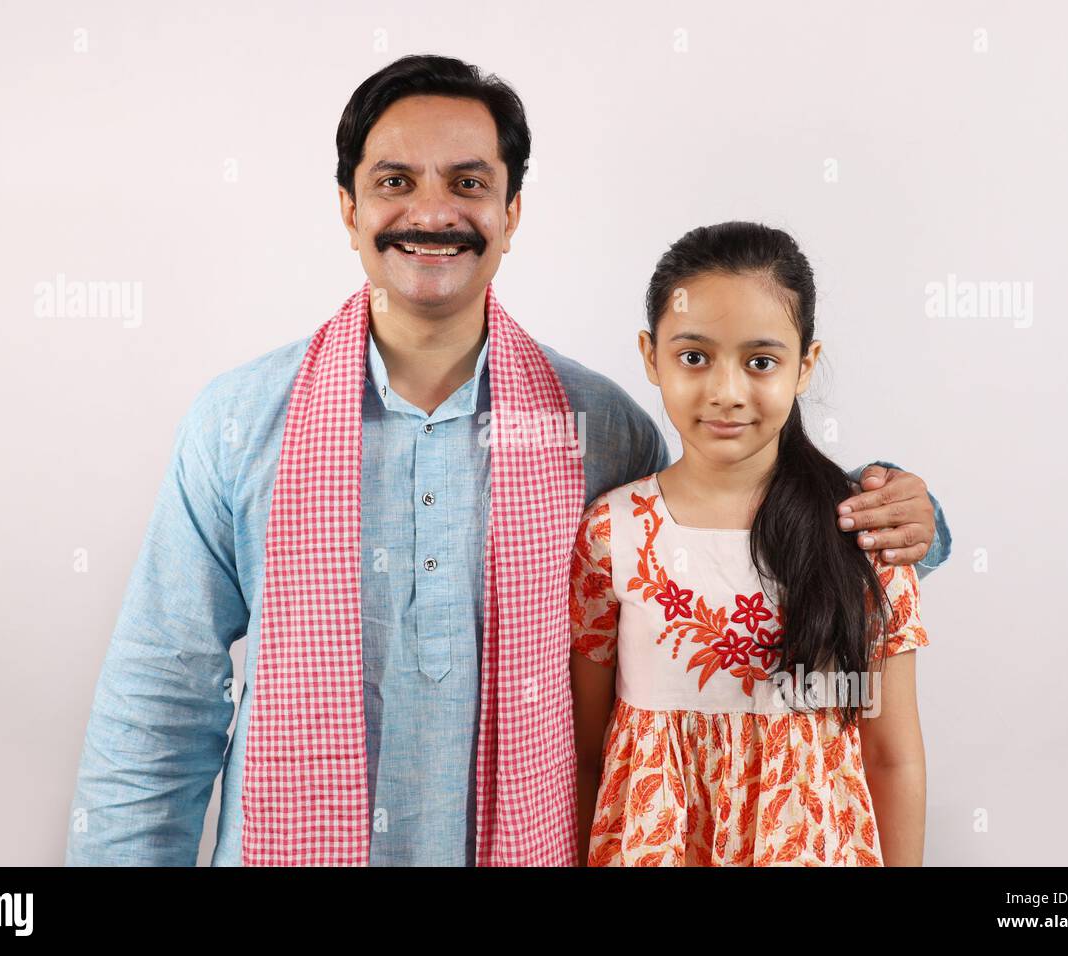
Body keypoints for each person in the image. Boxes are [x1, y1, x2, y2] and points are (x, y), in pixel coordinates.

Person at [66, 55, 951, 867]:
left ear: (510, 213)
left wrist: (913, 521)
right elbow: (162, 704)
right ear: (349, 209)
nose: (432, 212)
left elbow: (733, 519)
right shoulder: (240, 422)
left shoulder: (596, 426)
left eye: (469, 183)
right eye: (394, 182)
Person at [571, 221, 932, 866]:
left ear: (805, 367)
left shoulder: (864, 534)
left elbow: (892, 755)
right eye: (694, 356)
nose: (726, 392)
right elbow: (588, 754)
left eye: (760, 361)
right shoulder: (611, 532)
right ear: (651, 357)